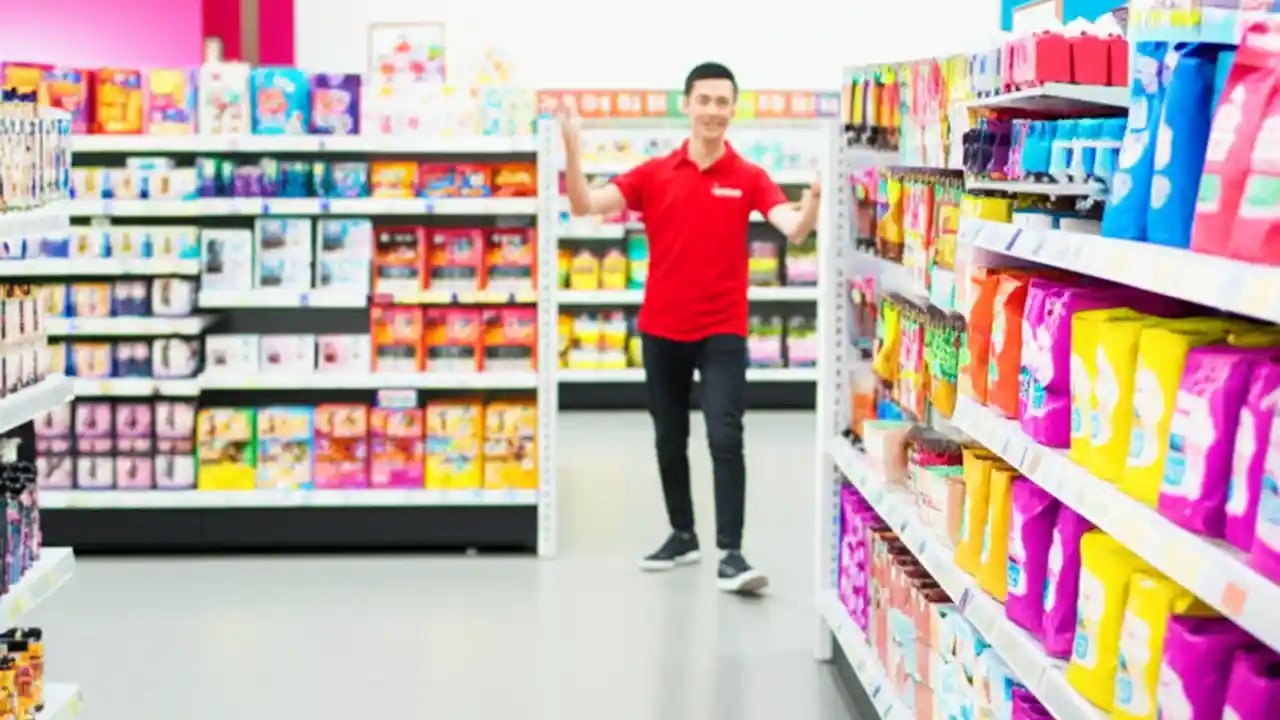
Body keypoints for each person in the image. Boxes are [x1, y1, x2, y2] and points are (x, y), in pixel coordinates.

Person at [560, 62, 820, 595]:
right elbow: (584, 206)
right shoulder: (653, 173)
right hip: (661, 327)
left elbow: (792, 228)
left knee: (726, 435)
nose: (714, 111)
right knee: (668, 438)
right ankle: (683, 534)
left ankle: (733, 553)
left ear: (732, 109)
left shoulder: (748, 176)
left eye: (723, 102)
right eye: (705, 100)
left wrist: (813, 204)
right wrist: (572, 147)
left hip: (724, 328)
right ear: (687, 104)